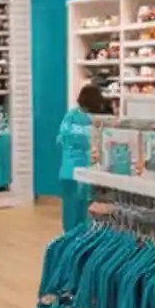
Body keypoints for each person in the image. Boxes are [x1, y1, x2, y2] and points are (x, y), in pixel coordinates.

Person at [57, 84, 104, 231]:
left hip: (71, 171)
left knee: (74, 212)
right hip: (79, 172)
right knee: (79, 212)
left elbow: (61, 139)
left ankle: (72, 245)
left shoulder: (70, 116)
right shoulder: (91, 121)